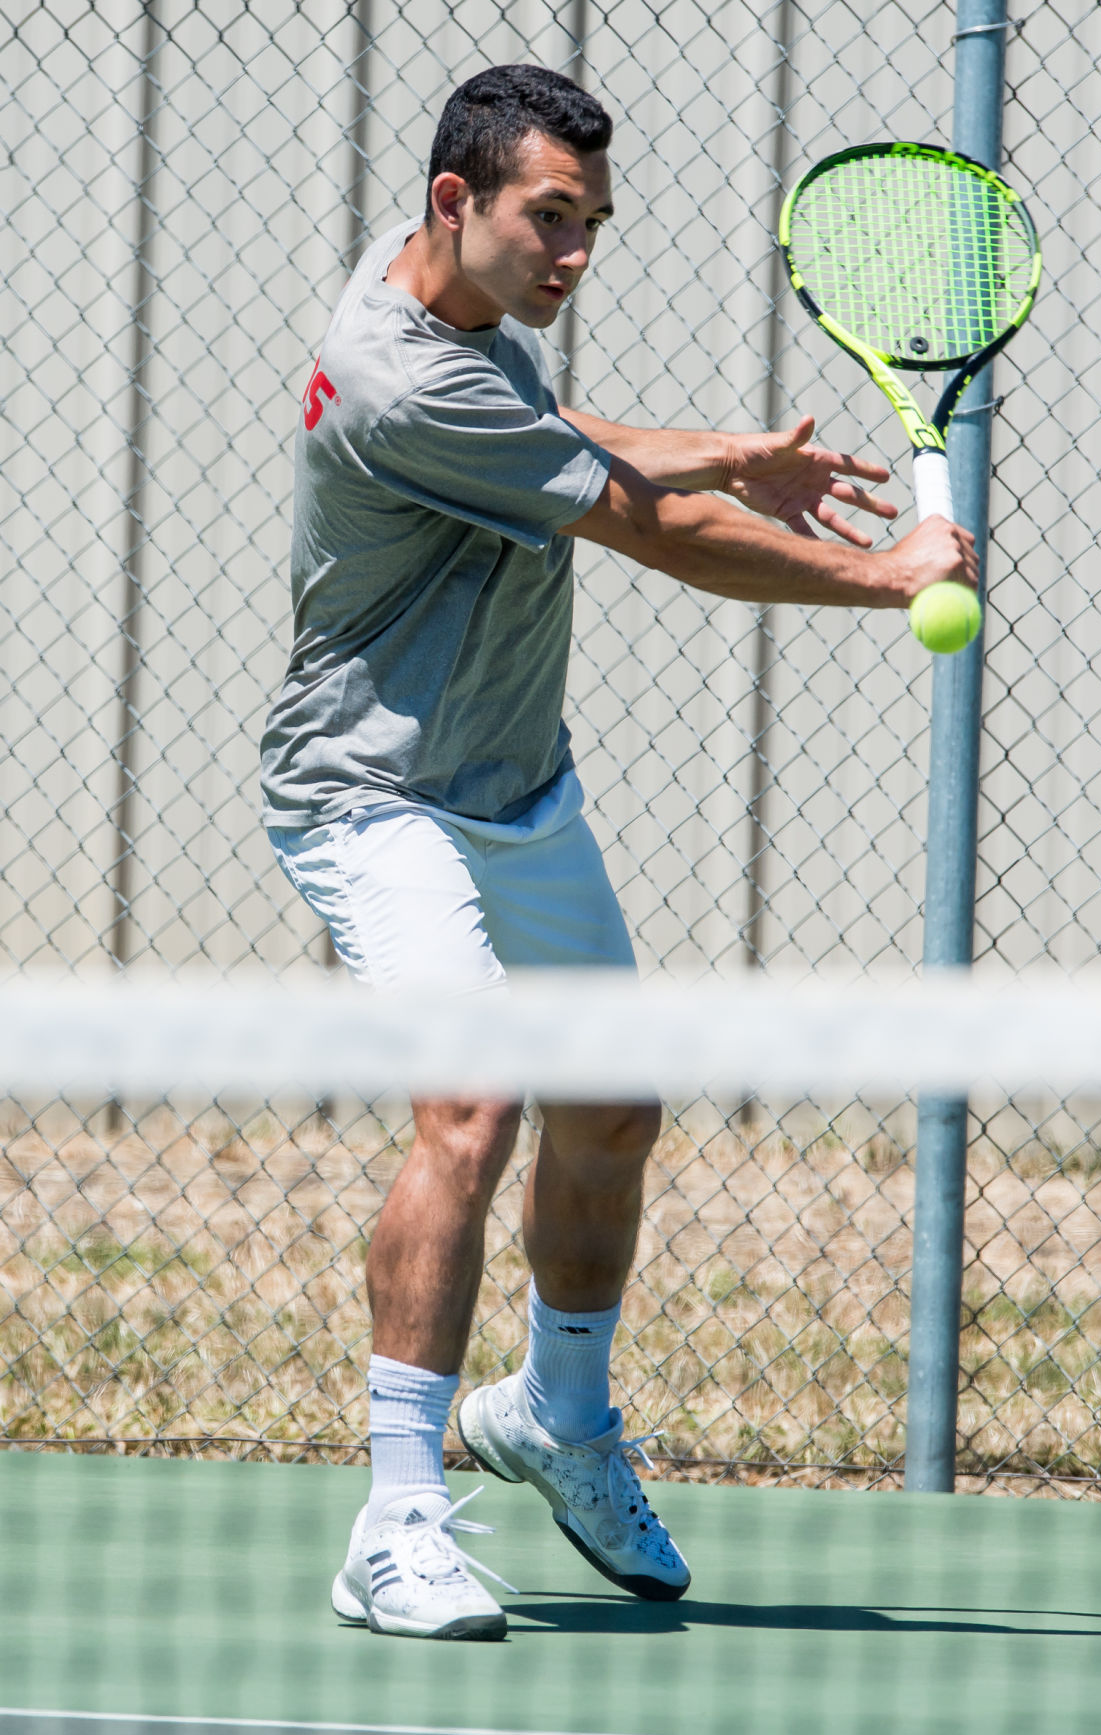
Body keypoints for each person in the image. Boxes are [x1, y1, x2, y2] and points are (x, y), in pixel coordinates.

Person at [260, 63, 977, 1643]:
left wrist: (719, 448)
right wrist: (887, 574)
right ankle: (397, 1521)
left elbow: (547, 428)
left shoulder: (439, 284)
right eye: (551, 218)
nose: (575, 253)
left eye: (592, 220)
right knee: (472, 1106)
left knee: (611, 1108)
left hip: (513, 783)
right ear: (457, 200)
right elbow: (646, 529)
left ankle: (557, 1417)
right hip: (371, 793)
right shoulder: (398, 380)